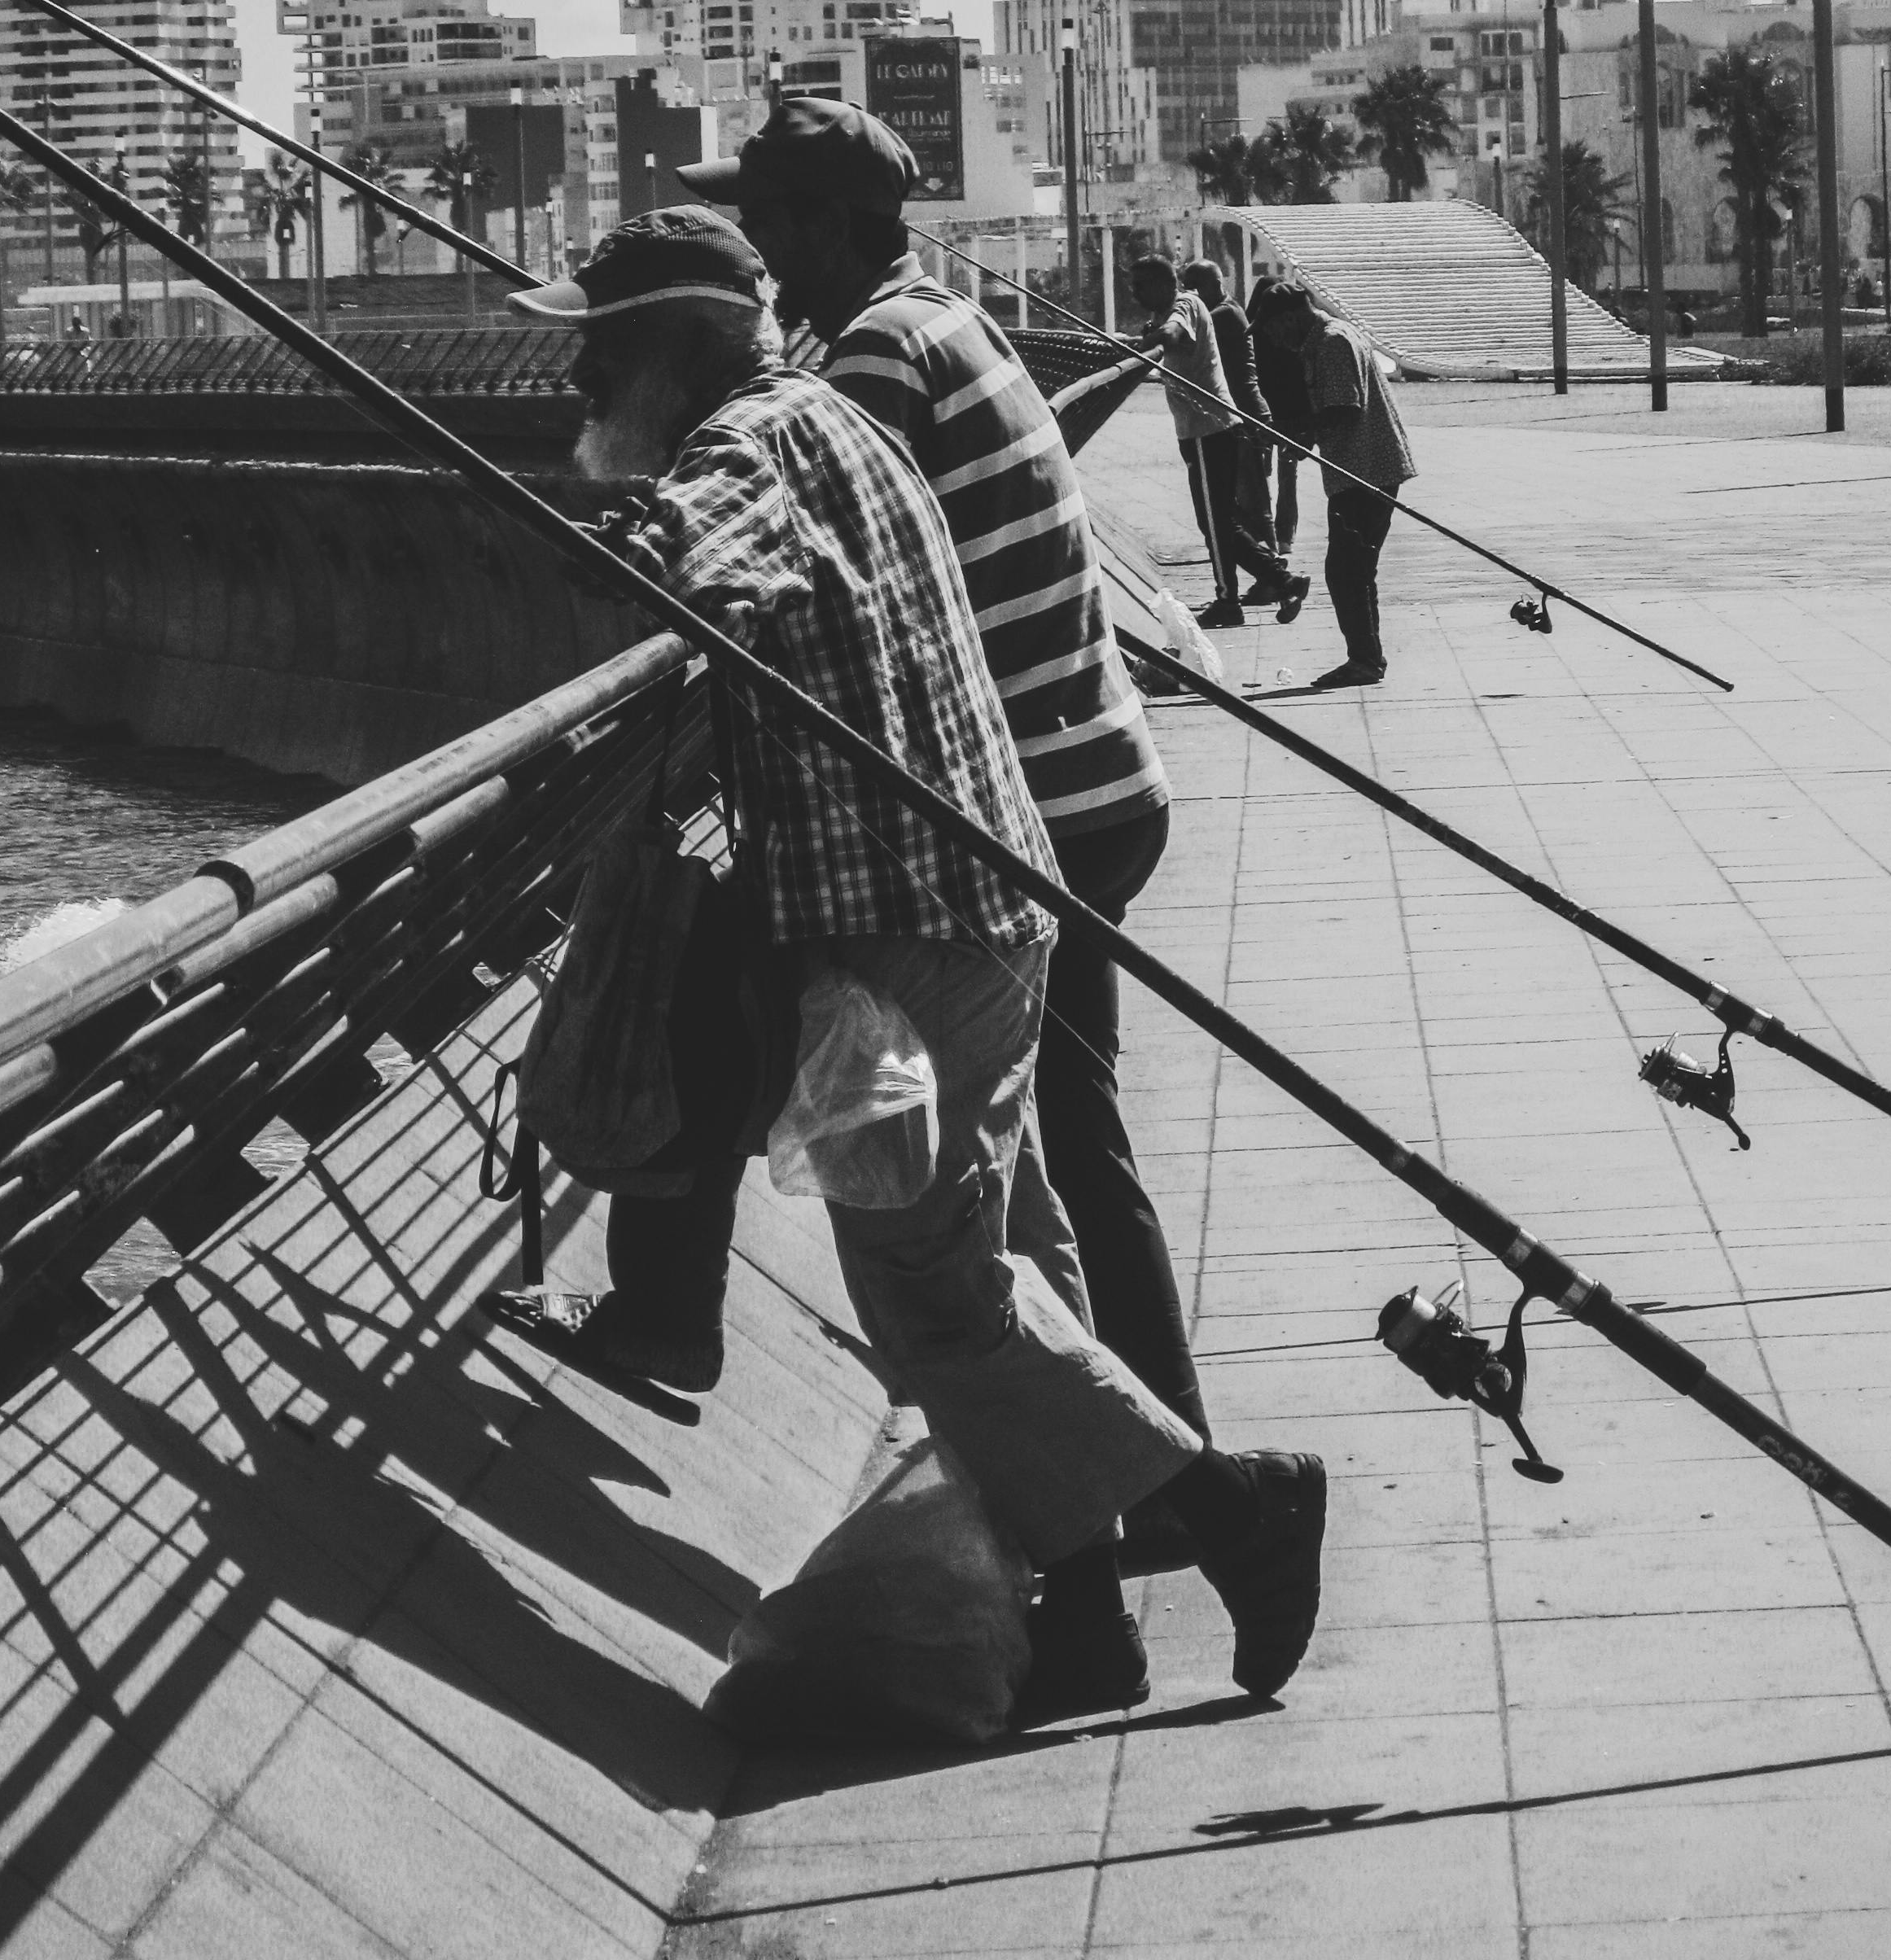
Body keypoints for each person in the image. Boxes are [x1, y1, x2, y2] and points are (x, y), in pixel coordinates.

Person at [507, 206, 1326, 1716]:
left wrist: (590, 536)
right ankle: (1090, 1621)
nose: (580, 380)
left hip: (905, 938)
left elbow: (684, 554)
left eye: (600, 350)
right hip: (980, 900)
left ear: (677, 342)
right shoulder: (830, 411)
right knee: (1010, 1249)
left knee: (931, 1299)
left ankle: (1236, 1510)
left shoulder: (753, 443)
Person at [681, 101, 1212, 1557]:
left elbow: (830, 557)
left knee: (1061, 1152)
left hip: (1040, 804)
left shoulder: (872, 358)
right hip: (1094, 775)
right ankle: (1146, 1481)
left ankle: (1175, 1483)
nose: (758, 250)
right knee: (1058, 1153)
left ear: (828, 227)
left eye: (771, 222)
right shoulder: (945, 321)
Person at [1126, 252, 1307, 632]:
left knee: (1218, 521)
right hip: (1202, 431)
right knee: (1217, 522)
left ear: (1164, 283)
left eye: (1140, 286)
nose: (1135, 294)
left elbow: (1172, 335)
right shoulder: (1174, 309)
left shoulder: (1185, 305)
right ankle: (1282, 580)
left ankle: (1230, 601)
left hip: (1209, 431)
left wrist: (1145, 342)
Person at [1251, 278, 1416, 687]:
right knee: (1356, 569)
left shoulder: (1331, 343)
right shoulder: (1327, 339)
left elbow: (1345, 409)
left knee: (1345, 571)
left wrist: (1297, 432)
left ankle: (1365, 660)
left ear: (1291, 317)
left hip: (1365, 471)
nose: (1274, 341)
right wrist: (1301, 436)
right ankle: (1368, 657)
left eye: (1273, 330)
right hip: (1359, 469)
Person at [1180, 260, 1276, 566]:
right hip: (1243, 414)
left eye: (1192, 289)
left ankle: (1272, 564)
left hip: (1246, 415)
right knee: (1248, 496)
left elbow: (1186, 336)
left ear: (1209, 286)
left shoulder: (1223, 315)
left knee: (1251, 497)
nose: (1189, 296)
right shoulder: (1224, 310)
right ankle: (1269, 561)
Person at [1246, 273, 1316, 559]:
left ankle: (1263, 533)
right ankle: (1285, 535)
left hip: (1264, 408)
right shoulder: (1292, 336)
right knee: (1289, 474)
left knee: (1260, 472)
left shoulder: (1257, 332)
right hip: (1291, 408)